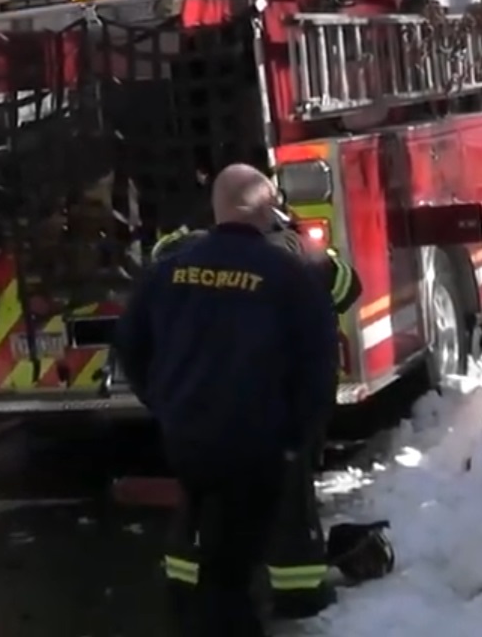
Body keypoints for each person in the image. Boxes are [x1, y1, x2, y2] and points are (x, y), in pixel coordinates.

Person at [113, 164, 341, 636]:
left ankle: (192, 606)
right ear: (267, 209)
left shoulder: (169, 269)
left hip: (189, 437)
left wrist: (164, 401)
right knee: (235, 568)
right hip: (258, 444)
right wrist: (300, 434)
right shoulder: (289, 273)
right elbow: (319, 365)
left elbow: (131, 345)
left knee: (205, 530)